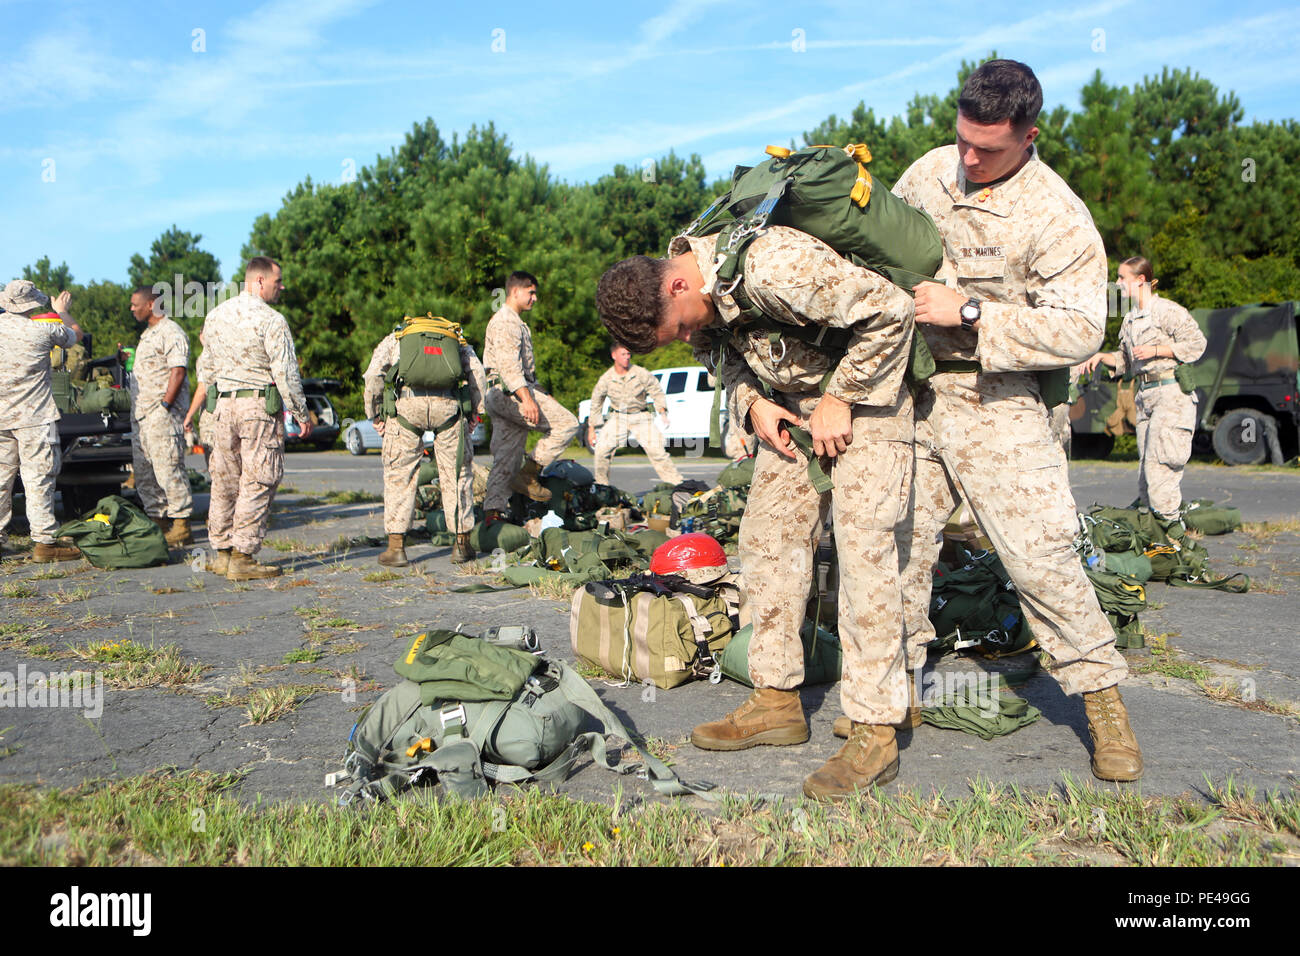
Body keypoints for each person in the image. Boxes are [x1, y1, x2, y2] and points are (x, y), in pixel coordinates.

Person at [597, 224, 916, 801]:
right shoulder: (694, 295)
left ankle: (875, 729)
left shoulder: (774, 265)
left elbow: (891, 311)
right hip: (790, 411)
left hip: (867, 404)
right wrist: (752, 404)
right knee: (768, 544)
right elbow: (715, 349)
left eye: (683, 324)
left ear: (676, 284)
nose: (687, 334)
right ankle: (777, 699)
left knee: (864, 556)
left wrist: (841, 398)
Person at [892, 58, 1142, 781]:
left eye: (988, 148)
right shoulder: (930, 171)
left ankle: (1102, 704)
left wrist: (970, 312)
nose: (969, 159)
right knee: (898, 548)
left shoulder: (1056, 213)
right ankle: (891, 696)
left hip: (1000, 401)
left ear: (1030, 134)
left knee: (1042, 558)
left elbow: (1078, 330)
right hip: (914, 393)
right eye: (963, 139)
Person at [196, 257, 311, 580]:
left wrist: (213, 407)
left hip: (224, 407)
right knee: (258, 479)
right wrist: (301, 413)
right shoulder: (271, 319)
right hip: (258, 407)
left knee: (224, 479)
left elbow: (205, 369)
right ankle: (243, 556)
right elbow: (286, 372)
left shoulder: (216, 316)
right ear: (260, 281)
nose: (281, 287)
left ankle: (221, 553)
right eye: (278, 281)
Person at [1080, 258, 1206, 525]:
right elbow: (1126, 361)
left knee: (1160, 466)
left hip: (1171, 394)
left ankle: (1172, 537)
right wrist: (1103, 357)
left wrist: (1159, 350)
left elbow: (1197, 344)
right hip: (1145, 395)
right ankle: (1153, 535)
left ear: (1140, 280)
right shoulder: (1130, 319)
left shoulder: (1167, 311)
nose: (1117, 283)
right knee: (1145, 472)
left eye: (1122, 278)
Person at [362, 316, 487, 567]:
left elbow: (374, 374)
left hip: (407, 406)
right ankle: (461, 545)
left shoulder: (398, 337)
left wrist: (373, 413)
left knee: (400, 473)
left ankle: (396, 548)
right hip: (449, 407)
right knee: (457, 474)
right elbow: (478, 375)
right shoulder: (456, 338)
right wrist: (477, 412)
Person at [482, 271, 579, 516]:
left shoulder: (514, 322)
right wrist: (527, 399)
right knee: (567, 424)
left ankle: (492, 517)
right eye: (531, 292)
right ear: (515, 291)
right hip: (509, 394)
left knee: (506, 459)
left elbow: (521, 372)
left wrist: (542, 394)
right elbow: (509, 368)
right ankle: (529, 473)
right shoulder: (506, 322)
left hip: (501, 394)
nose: (535, 298)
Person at [0, 280, 83, 562]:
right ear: (33, 303)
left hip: (1, 418)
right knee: (38, 478)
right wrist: (60, 311)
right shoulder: (43, 329)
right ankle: (45, 543)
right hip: (35, 417)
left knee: (1, 479)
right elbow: (74, 335)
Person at [128, 286, 193, 546]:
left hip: (161, 415)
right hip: (143, 417)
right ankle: (157, 520)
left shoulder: (171, 332)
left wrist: (165, 406)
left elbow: (178, 371)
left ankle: (182, 524)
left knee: (168, 469)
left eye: (135, 304)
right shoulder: (148, 334)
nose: (132, 308)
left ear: (152, 303)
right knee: (145, 473)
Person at [587, 343, 682, 487]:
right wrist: (592, 429)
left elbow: (656, 390)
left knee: (658, 452)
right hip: (618, 417)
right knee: (601, 451)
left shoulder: (640, 373)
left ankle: (677, 485)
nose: (627, 358)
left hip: (641, 417)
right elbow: (596, 402)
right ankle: (602, 487)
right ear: (614, 356)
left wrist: (662, 411)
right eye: (623, 354)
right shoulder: (606, 378)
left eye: (628, 354)